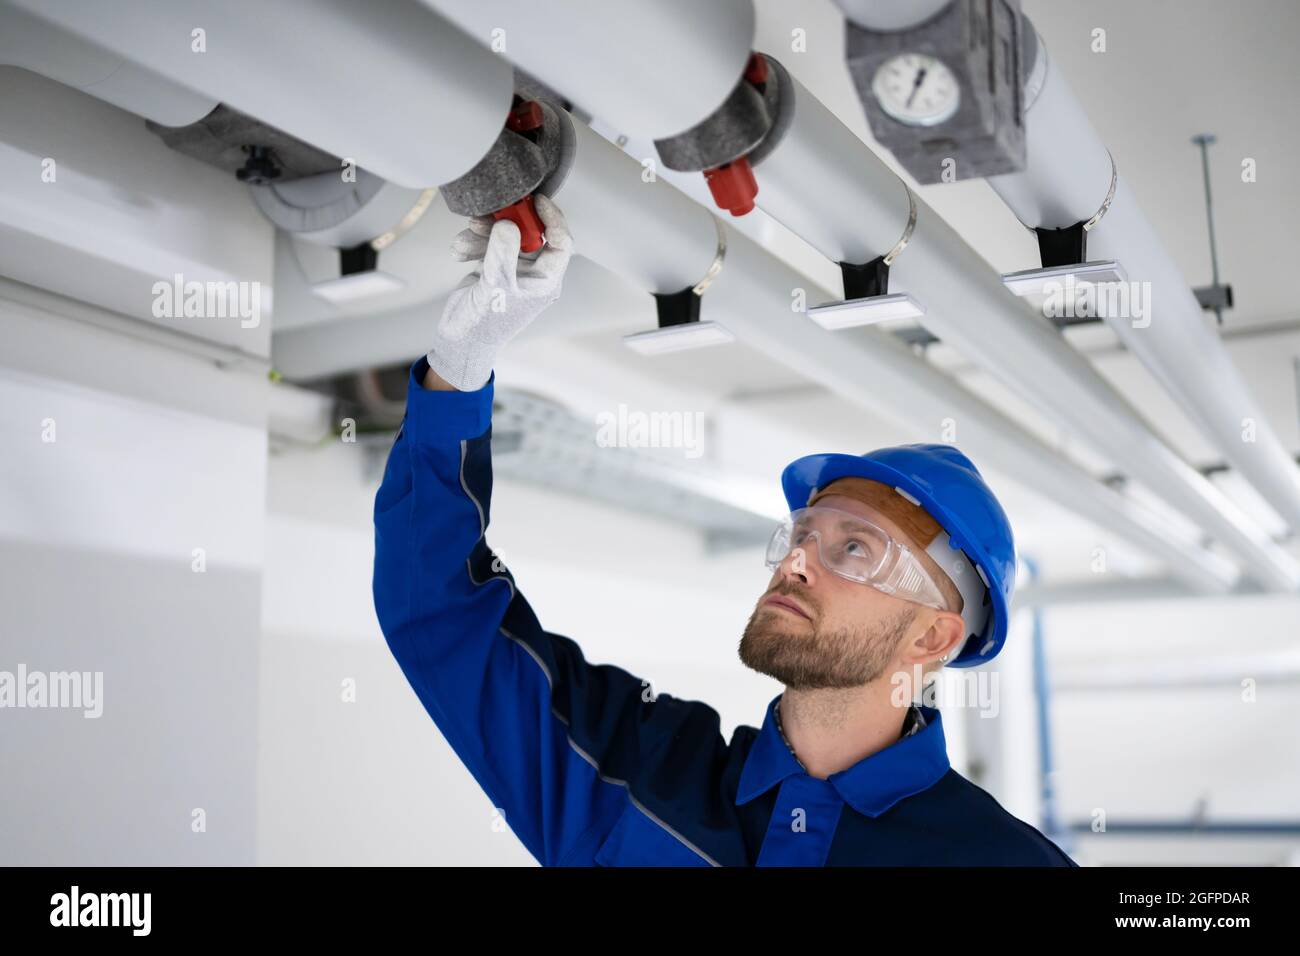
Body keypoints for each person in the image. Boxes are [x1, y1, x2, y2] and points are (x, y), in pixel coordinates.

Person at [372, 193, 1077, 867]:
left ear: (933, 636)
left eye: (854, 548)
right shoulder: (635, 770)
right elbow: (438, 614)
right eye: (802, 535)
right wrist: (459, 370)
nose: (795, 563)